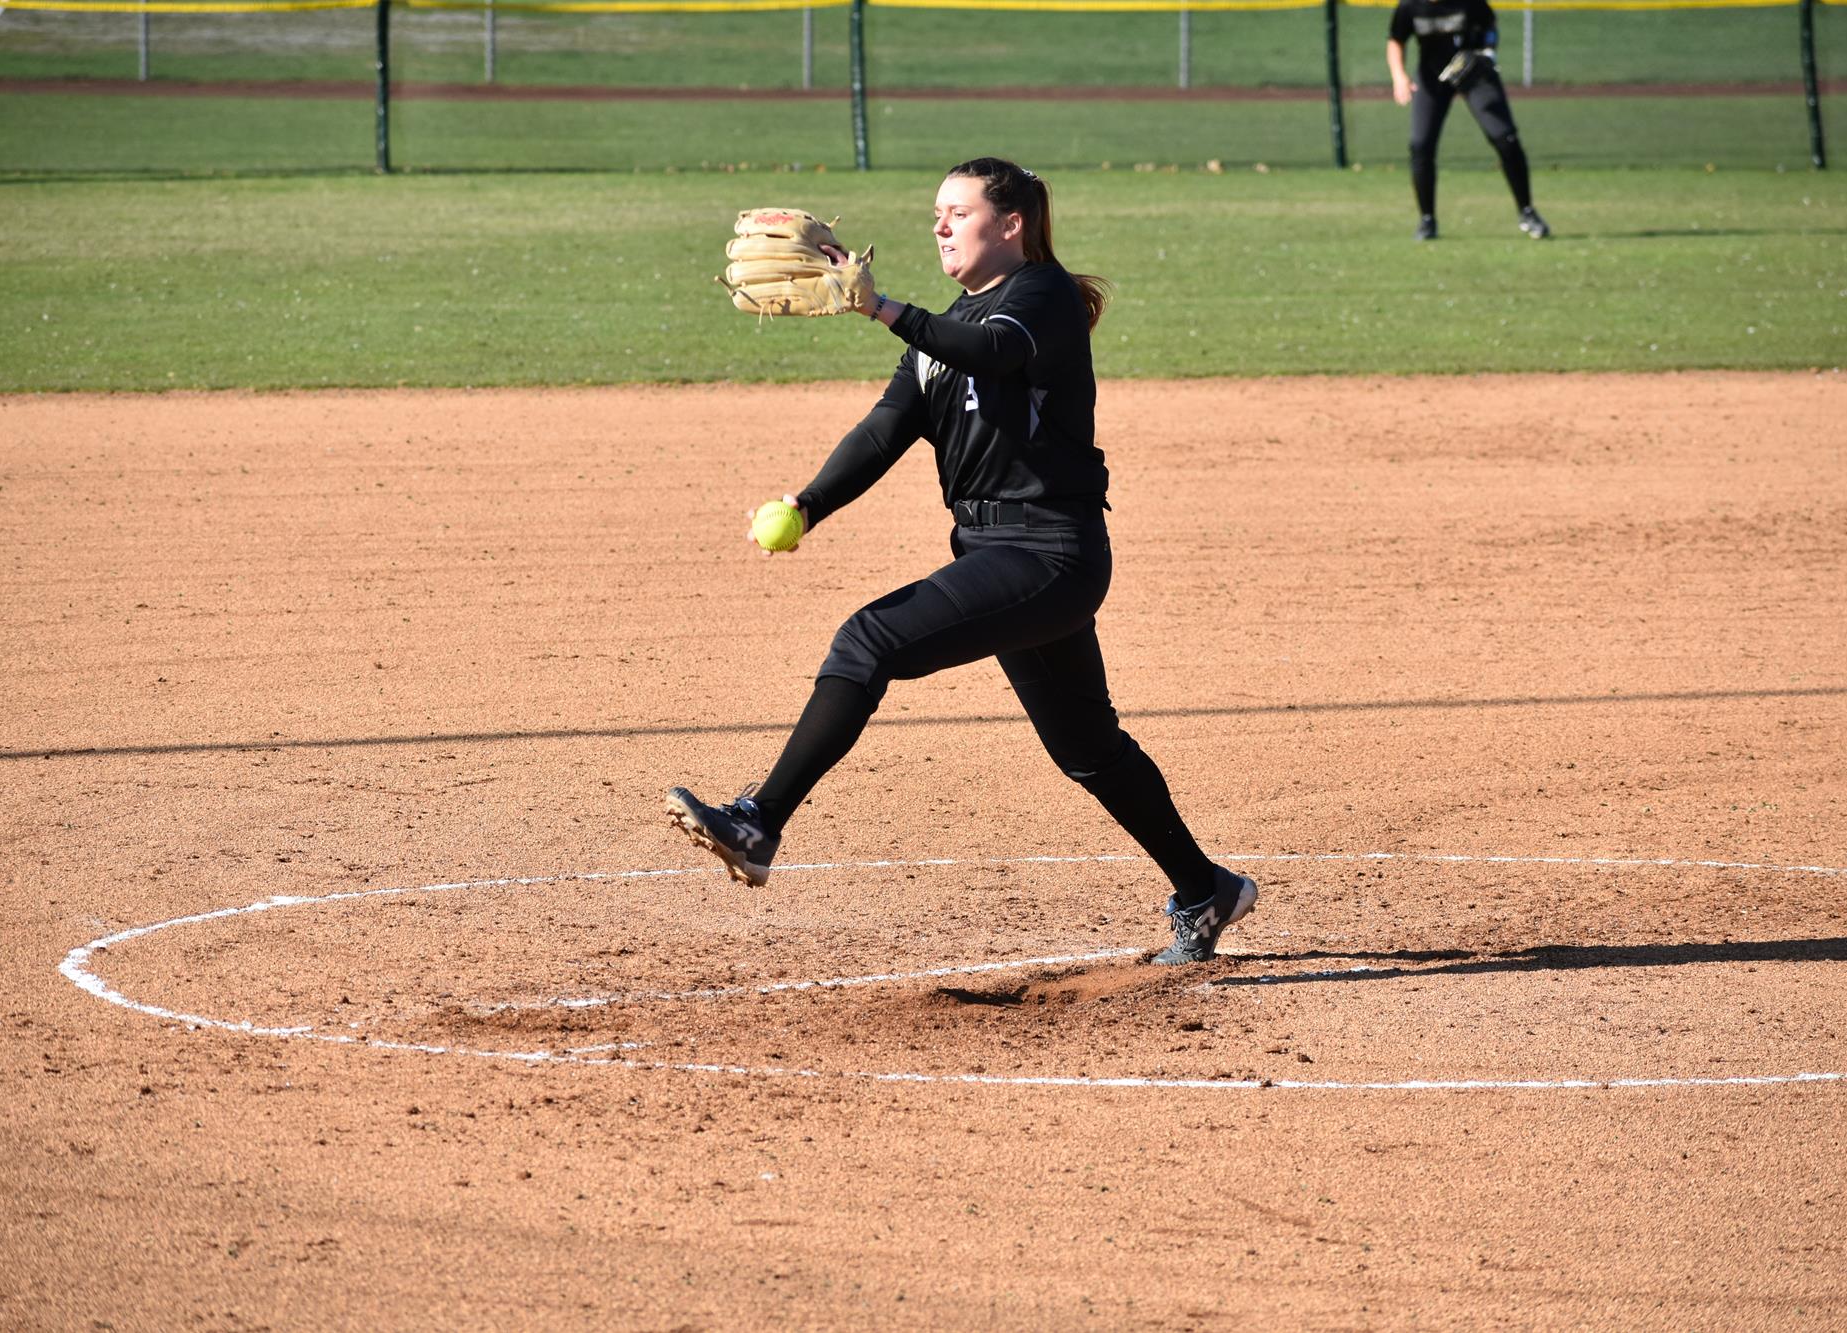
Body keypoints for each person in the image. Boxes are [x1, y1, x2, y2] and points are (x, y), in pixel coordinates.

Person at [664, 156, 1257, 966]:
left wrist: (883, 309)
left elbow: (997, 354)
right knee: (1087, 748)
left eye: (958, 210)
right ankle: (1206, 890)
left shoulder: (1038, 297)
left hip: (1049, 550)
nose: (939, 224)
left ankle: (759, 820)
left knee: (866, 641)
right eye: (934, 212)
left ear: (1009, 225)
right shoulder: (947, 328)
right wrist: (806, 505)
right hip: (997, 552)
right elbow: (885, 429)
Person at [1386, 0, 1550, 242]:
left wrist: (1488, 52)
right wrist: (1399, 76)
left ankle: (1527, 212)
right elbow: (1396, 39)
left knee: (1505, 138)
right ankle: (1427, 220)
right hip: (1433, 77)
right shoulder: (1411, 5)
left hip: (1474, 74)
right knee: (1421, 145)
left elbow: (1490, 26)